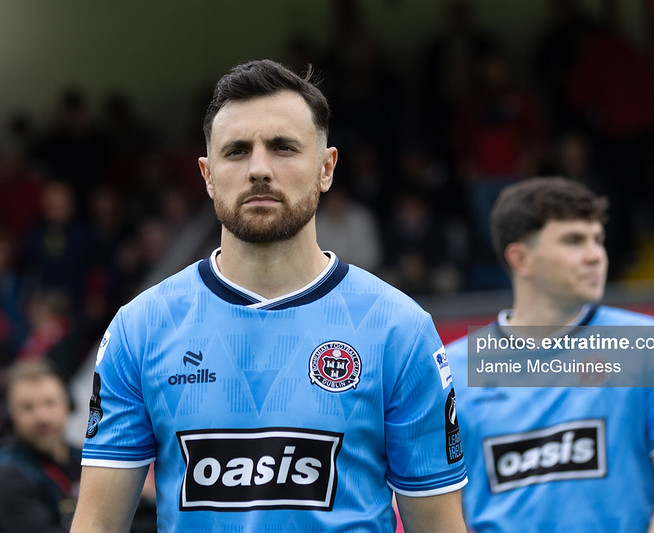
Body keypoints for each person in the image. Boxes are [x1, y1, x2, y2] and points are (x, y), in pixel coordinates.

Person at [70, 59, 467, 533]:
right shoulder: (140, 328)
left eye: (282, 147)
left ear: (326, 168)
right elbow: (96, 524)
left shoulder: (399, 328)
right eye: (236, 151)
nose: (259, 169)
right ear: (208, 175)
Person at [446, 177, 654, 532]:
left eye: (598, 240)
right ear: (520, 258)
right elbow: (438, 507)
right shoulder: (452, 368)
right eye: (574, 240)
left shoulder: (642, 342)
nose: (595, 255)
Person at [0, 360, 81, 532]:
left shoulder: (86, 458)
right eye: (27, 408)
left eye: (50, 403)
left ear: (68, 405)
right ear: (10, 416)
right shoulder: (9, 475)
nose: (42, 418)